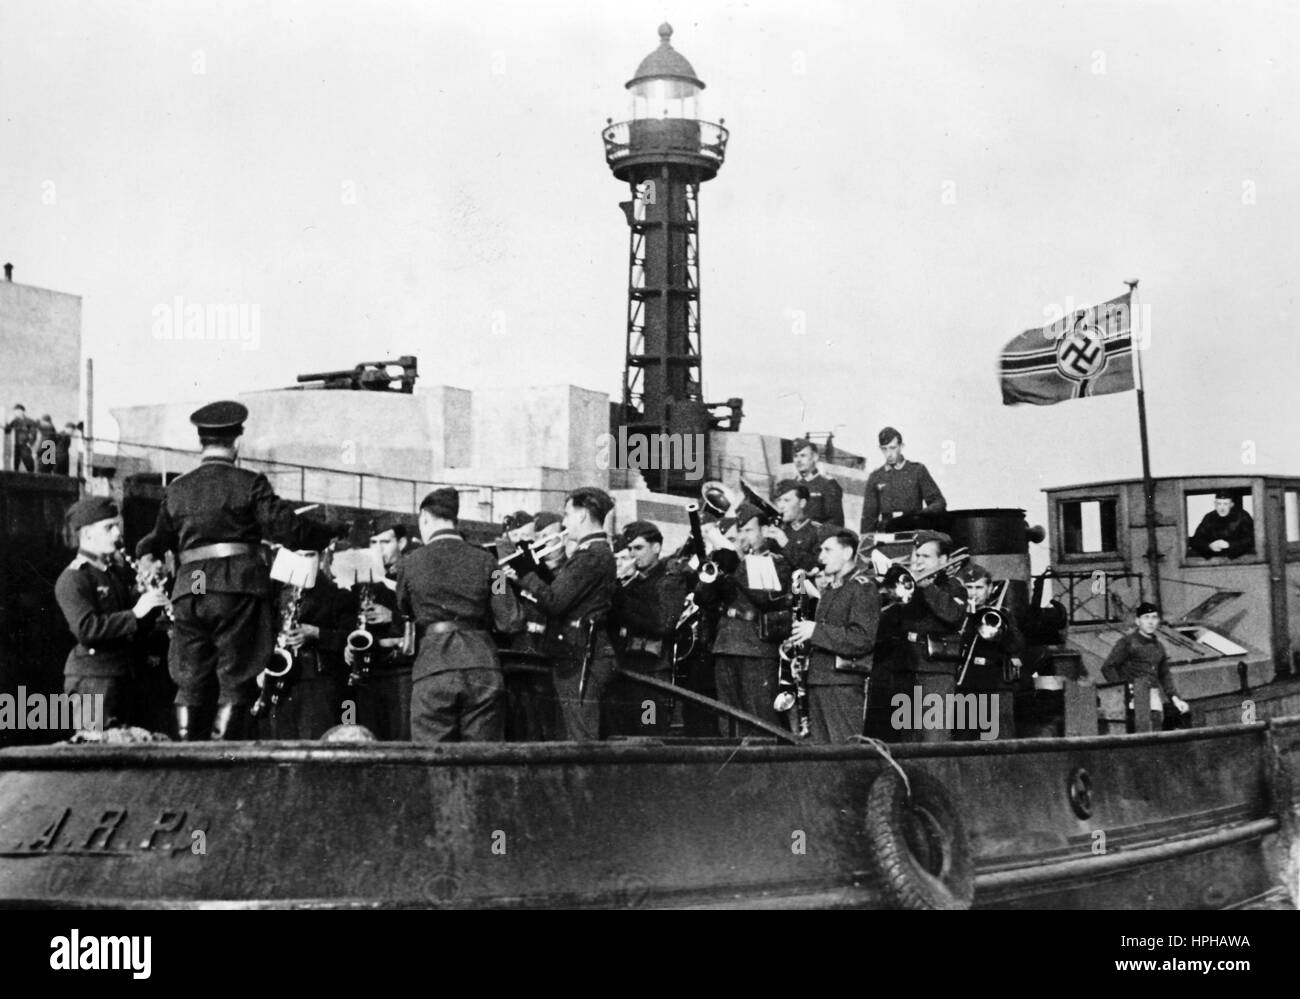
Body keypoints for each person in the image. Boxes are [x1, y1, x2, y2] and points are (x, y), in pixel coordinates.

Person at [148, 400, 340, 740]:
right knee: (235, 678)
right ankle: (224, 760)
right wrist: (327, 532)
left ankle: (185, 761)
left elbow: (158, 538)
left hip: (192, 586)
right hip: (235, 587)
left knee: (189, 679)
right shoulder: (249, 482)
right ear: (237, 442)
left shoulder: (177, 487)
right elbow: (289, 532)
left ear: (200, 442)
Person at [397, 487, 522, 742]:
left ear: (424, 518)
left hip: (434, 667)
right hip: (482, 666)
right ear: (455, 521)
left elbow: (403, 606)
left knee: (433, 762)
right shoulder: (488, 561)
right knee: (482, 760)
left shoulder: (410, 563)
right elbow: (510, 619)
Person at [506, 488, 618, 741]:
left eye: (567, 514)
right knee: (571, 732)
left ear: (582, 515)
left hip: (581, 655)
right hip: (576, 652)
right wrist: (535, 571)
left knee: (580, 738)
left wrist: (526, 574)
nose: (565, 522)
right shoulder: (592, 552)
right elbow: (562, 592)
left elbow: (555, 602)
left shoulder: (591, 555)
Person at [54, 498, 170, 730]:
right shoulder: (74, 578)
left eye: (117, 526)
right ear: (87, 535)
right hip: (93, 680)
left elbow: (132, 626)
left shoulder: (114, 574)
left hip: (123, 676)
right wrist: (136, 613)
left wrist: (150, 603)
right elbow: (87, 629)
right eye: (109, 527)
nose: (117, 533)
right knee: (96, 756)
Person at [695, 501, 793, 735]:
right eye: (740, 531)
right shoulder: (730, 562)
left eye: (748, 530)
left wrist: (737, 563)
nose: (742, 536)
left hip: (756, 647)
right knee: (727, 718)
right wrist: (713, 572)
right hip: (726, 644)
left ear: (764, 532)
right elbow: (703, 599)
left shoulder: (775, 562)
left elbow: (763, 597)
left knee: (758, 717)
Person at [873, 530, 967, 743]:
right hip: (906, 669)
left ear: (943, 560)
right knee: (909, 739)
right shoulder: (907, 585)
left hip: (935, 671)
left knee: (934, 737)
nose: (918, 561)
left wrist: (928, 588)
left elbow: (953, 615)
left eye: (926, 557)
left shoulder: (954, 588)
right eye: (917, 556)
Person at [258, 544, 356, 739]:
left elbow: (351, 639)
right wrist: (261, 668)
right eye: (298, 555)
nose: (303, 561)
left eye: (310, 554)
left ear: (321, 557)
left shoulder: (338, 593)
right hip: (281, 681)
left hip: (318, 681)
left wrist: (316, 633)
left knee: (316, 743)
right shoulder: (276, 594)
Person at [789, 529, 878, 744]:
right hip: (819, 681)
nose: (821, 557)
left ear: (847, 553)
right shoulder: (831, 588)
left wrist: (814, 631)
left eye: (828, 550)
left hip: (842, 684)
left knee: (844, 750)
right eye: (821, 550)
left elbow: (862, 638)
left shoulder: (862, 587)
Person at [607, 520, 695, 737]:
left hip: (653, 669)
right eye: (630, 549)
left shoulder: (668, 579)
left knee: (650, 727)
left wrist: (623, 598)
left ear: (656, 548)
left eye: (639, 548)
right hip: (628, 665)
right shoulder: (633, 583)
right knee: (626, 728)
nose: (633, 554)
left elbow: (663, 623)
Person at [349, 513, 416, 739]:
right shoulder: (365, 578)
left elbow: (425, 618)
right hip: (370, 670)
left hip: (402, 671)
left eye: (385, 542)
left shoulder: (413, 573)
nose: (378, 549)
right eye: (373, 543)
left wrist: (393, 617)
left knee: (401, 737)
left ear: (402, 543)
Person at [953, 563, 1020, 740]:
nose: (974, 593)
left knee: (993, 739)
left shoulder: (1002, 613)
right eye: (969, 588)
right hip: (963, 685)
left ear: (990, 588)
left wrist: (1002, 626)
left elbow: (1016, 645)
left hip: (992, 684)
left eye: (979, 587)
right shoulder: (955, 613)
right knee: (963, 738)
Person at [1101, 602, 1189, 729]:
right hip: (1132, 702)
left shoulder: (1159, 647)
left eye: (1154, 617)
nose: (1150, 622)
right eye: (1146, 617)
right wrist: (1123, 690)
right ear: (1138, 621)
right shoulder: (1127, 643)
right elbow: (1108, 667)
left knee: (1156, 731)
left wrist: (1176, 699)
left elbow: (1164, 676)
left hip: (1153, 700)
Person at [860, 426, 946, 534]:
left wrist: (921, 515)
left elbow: (938, 502)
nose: (889, 454)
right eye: (884, 449)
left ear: (901, 446)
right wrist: (865, 542)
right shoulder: (876, 476)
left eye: (892, 448)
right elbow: (869, 516)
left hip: (913, 529)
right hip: (887, 531)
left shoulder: (917, 470)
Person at [765, 479, 831, 574]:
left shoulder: (817, 532)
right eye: (778, 500)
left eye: (786, 500)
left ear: (801, 503)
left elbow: (814, 567)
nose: (781, 506)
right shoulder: (776, 526)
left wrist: (786, 544)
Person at [790, 437, 844, 526]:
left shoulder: (828, 484)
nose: (798, 460)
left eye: (803, 456)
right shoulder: (793, 485)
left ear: (815, 457)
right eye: (796, 456)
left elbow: (836, 522)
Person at [1188, 491, 1255, 559]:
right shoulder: (1209, 517)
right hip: (1214, 560)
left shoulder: (1242, 516)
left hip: (1239, 559)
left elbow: (1251, 539)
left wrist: (1229, 545)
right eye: (1219, 504)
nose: (1222, 508)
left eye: (1225, 504)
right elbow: (1196, 540)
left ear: (1232, 504)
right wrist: (1209, 546)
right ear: (1215, 504)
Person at [3, 403, 36, 472]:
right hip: (16, 445)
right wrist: (7, 423)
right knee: (16, 463)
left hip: (25, 445)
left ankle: (32, 476)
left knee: (28, 461)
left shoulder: (30, 421)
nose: (15, 413)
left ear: (22, 411)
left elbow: (33, 433)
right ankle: (15, 477)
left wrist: (30, 443)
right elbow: (7, 431)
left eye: (16, 411)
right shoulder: (14, 421)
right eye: (15, 411)